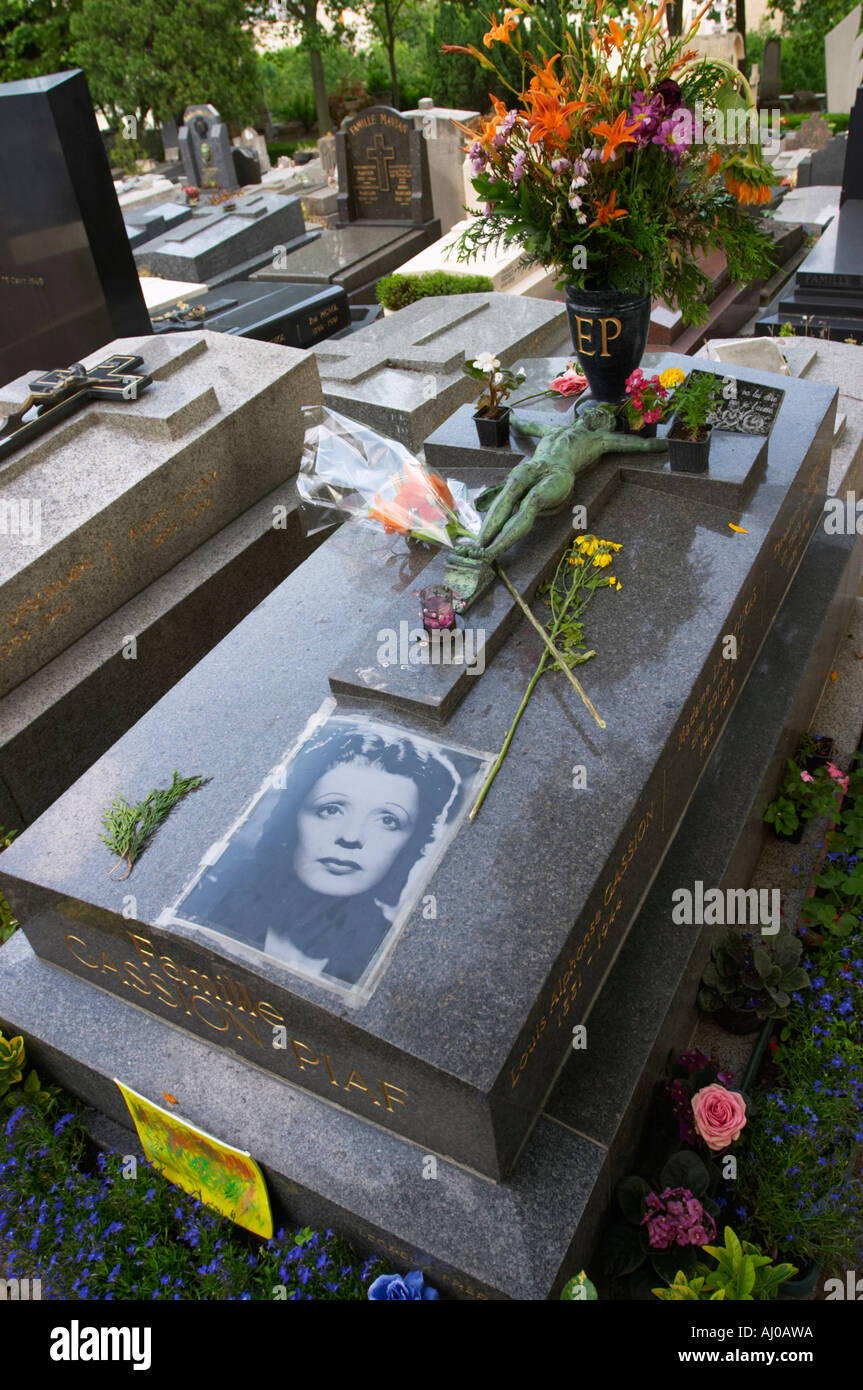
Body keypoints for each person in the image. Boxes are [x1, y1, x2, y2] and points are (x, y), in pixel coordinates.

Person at [177, 724, 462, 988]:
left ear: (410, 843)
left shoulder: (397, 956)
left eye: (388, 820)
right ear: (292, 818)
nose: (351, 837)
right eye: (331, 809)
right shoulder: (212, 898)